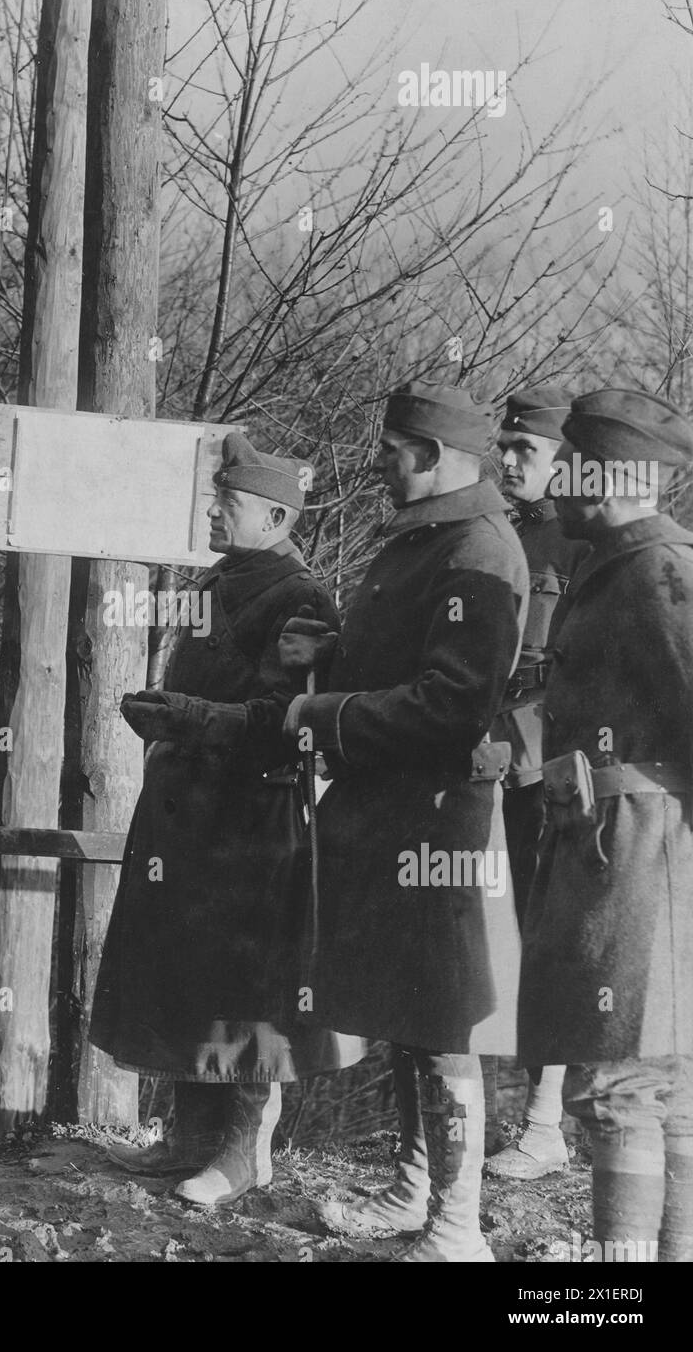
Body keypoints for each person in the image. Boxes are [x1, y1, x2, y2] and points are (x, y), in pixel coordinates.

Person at [285, 381, 527, 1261]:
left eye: (391, 450)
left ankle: (459, 1230)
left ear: (429, 458)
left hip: (436, 816)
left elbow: (453, 705)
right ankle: (416, 1189)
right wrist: (331, 657)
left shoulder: (477, 551)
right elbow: (403, 663)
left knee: (440, 1018)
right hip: (391, 809)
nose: (377, 461)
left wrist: (325, 714)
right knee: (405, 1008)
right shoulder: (429, 543)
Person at [90, 432, 362, 1208]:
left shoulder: (301, 598)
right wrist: (165, 715)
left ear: (274, 515)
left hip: (254, 820)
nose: (212, 512)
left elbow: (292, 717)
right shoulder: (215, 582)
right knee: (186, 976)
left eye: (229, 503)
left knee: (249, 990)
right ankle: (188, 1138)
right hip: (189, 818)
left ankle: (244, 1152)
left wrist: (195, 718)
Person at [519, 387, 693, 1263]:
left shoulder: (663, 574)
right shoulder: (619, 563)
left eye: (575, 466)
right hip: (619, 843)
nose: (560, 484)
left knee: (626, 1078)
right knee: (659, 1081)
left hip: (645, 852)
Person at [484, 387, 589, 1181]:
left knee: (549, 937)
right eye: (506, 447)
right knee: (486, 941)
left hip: (547, 775)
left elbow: (582, 676)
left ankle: (547, 1124)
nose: (508, 460)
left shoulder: (585, 547)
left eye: (526, 451)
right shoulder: (496, 535)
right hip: (477, 763)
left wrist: (526, 750)